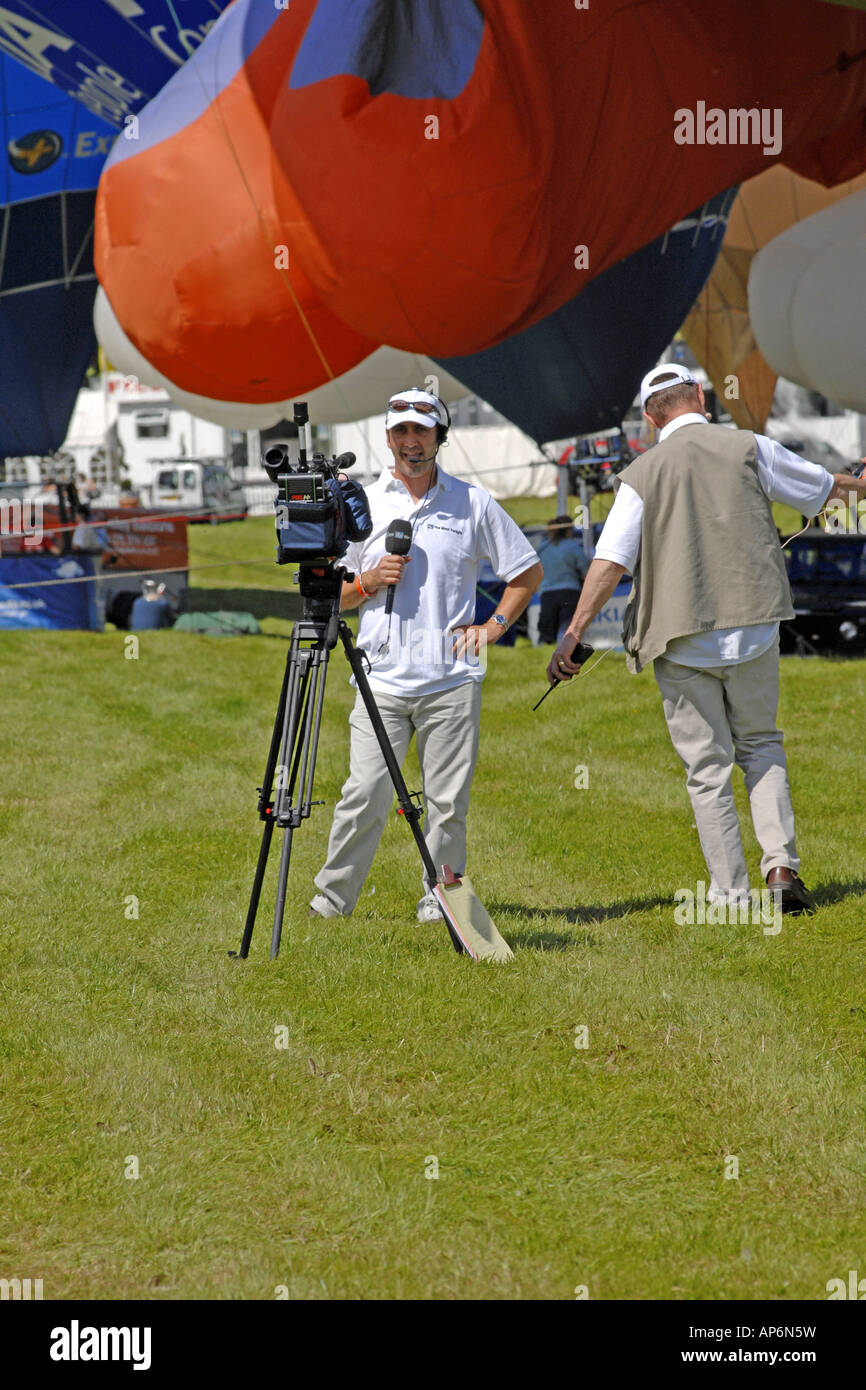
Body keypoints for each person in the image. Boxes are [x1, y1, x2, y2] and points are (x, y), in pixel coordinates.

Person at [547, 362, 866, 916]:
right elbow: (823, 491)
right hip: (755, 625)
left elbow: (610, 562)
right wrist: (858, 485)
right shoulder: (750, 446)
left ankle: (731, 894)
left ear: (650, 418)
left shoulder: (642, 473)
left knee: (708, 768)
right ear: (700, 396)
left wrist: (572, 635)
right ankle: (782, 869)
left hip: (681, 638)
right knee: (762, 745)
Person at [311, 386, 542, 923]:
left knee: (447, 805)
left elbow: (526, 573)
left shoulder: (473, 502)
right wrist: (367, 581)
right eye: (400, 432)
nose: (410, 442)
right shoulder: (362, 504)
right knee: (363, 794)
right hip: (380, 682)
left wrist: (494, 626)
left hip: (452, 680)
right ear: (387, 438)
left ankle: (439, 897)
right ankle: (332, 900)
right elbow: (329, 592)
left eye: (422, 431)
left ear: (440, 436)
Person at [536, 515, 588, 644]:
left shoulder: (542, 548)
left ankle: (544, 652)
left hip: (547, 593)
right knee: (567, 629)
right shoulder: (573, 547)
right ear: (568, 530)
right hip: (570, 592)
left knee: (547, 631)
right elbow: (586, 572)